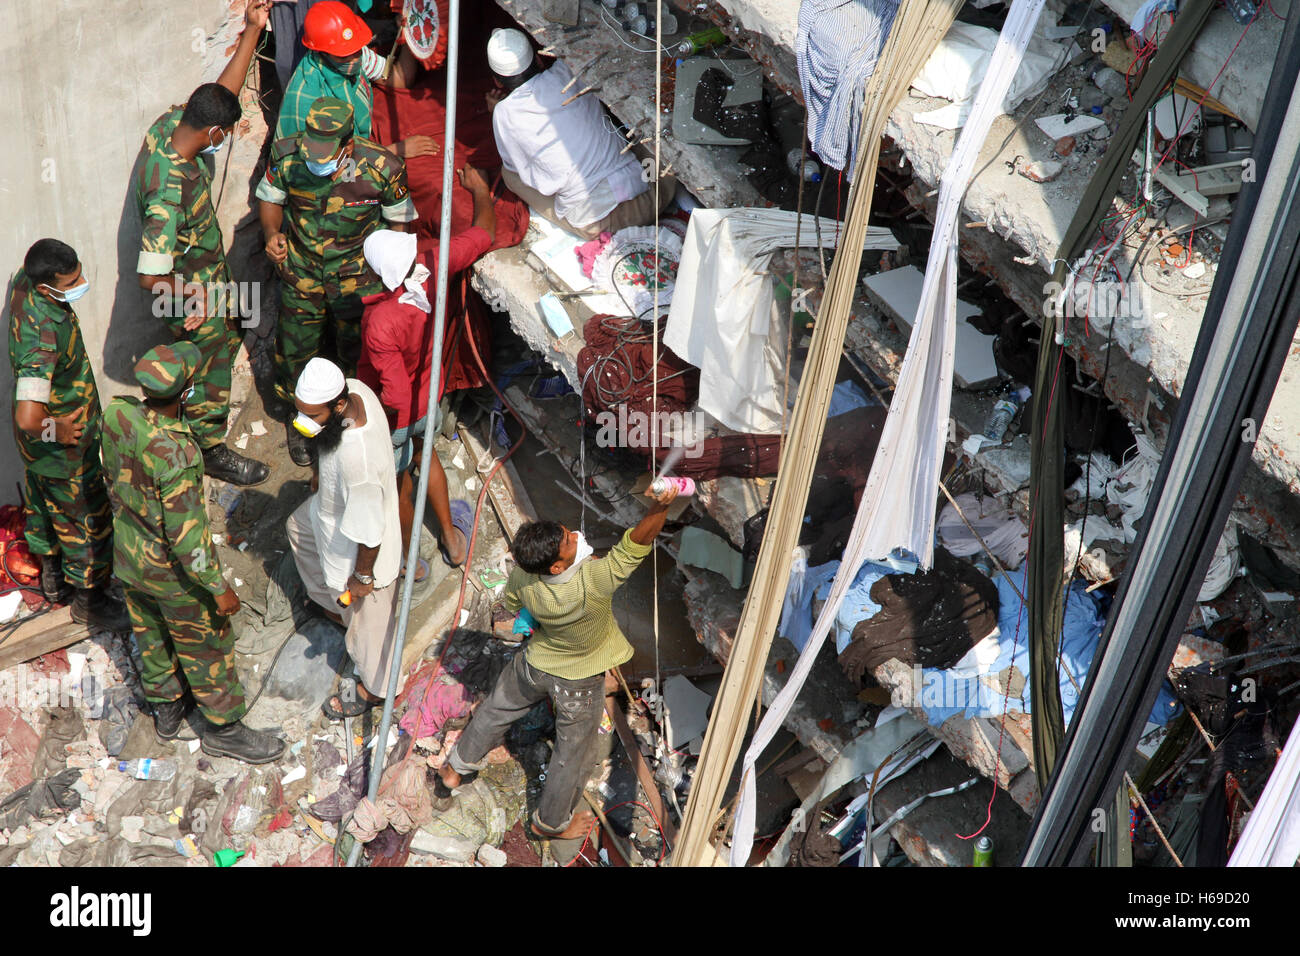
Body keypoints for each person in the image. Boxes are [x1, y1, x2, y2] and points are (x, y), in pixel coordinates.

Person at [437, 483, 680, 840]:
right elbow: (635, 546)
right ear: (555, 566)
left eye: (566, 532)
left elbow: (515, 600)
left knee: (495, 710)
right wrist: (660, 509)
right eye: (569, 540)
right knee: (570, 756)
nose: (576, 535)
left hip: (533, 664)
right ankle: (549, 824)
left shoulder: (524, 575)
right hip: (578, 683)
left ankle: (455, 770)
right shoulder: (592, 580)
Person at [99, 343, 285, 763]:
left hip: (129, 555)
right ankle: (224, 728)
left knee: (150, 635)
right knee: (207, 645)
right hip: (171, 573)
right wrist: (217, 588)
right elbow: (187, 539)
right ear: (185, 394)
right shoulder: (177, 454)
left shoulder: (118, 414)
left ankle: (167, 709)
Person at [134, 0, 271, 487]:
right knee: (211, 353)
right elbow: (149, 274)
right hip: (186, 291)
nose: (225, 139)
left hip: (206, 275)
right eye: (226, 135)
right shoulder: (166, 195)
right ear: (214, 133)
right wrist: (191, 297)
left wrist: (252, 31)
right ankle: (209, 447)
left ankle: (197, 429)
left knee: (225, 334)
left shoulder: (175, 124)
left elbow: (222, 96)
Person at [257, 96, 418, 465]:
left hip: (358, 281)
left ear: (348, 144)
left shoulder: (382, 166)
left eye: (325, 152)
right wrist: (271, 234)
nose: (315, 157)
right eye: (311, 147)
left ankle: (345, 418)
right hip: (302, 275)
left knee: (356, 355)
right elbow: (270, 197)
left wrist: (392, 277)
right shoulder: (288, 155)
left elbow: (399, 225)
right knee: (296, 352)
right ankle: (300, 423)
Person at [357, 168, 495, 567]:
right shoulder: (431, 262)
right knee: (428, 457)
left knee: (399, 484)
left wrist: (379, 423)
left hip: (398, 413)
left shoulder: (381, 321)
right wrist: (480, 190)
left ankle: (410, 564)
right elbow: (485, 231)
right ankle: (452, 543)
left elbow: (395, 394)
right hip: (429, 396)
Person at [7, 240, 127, 630]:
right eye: (71, 282)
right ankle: (89, 602)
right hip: (61, 447)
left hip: (39, 453)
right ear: (46, 288)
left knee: (45, 507)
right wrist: (56, 428)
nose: (82, 283)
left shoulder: (26, 282)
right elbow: (28, 418)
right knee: (87, 520)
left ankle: (54, 581)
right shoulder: (42, 338)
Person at [284, 358, 404, 720]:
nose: (306, 423)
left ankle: (378, 690)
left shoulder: (359, 461)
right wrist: (322, 473)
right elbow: (327, 438)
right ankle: (337, 611)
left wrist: (363, 576)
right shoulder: (354, 390)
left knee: (371, 631)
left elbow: (370, 531)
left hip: (358, 545)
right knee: (297, 529)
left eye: (313, 416)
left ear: (338, 406)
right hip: (329, 513)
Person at [486, 28, 676, 240]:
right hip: (648, 197)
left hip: (600, 224)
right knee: (649, 143)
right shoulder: (567, 71)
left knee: (510, 174)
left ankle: (575, 216)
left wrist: (499, 113)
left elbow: (517, 167)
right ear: (539, 60)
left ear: (497, 82)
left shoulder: (503, 114)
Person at [275, 0, 438, 160]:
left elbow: (399, 79)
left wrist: (408, 34)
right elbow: (329, 168)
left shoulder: (355, 54)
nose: (354, 59)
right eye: (344, 55)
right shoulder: (309, 98)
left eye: (357, 50)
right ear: (322, 53)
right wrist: (396, 150)